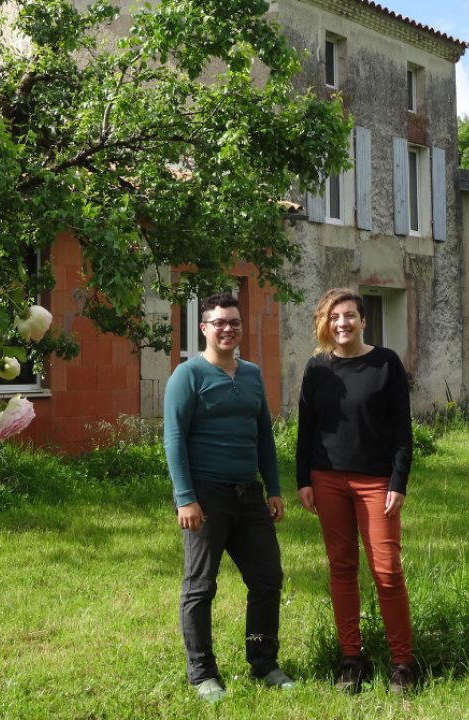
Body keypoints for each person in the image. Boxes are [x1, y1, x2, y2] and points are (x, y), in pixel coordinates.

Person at [163, 291, 295, 703]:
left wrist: (273, 489)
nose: (227, 328)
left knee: (267, 580)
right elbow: (174, 438)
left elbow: (263, 438)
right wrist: (185, 498)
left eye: (234, 322)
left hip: (249, 496)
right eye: (219, 322)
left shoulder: (253, 374)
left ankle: (263, 662)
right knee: (200, 586)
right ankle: (202, 673)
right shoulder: (188, 375)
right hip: (206, 495)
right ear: (203, 328)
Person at [296, 288, 415, 694]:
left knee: (387, 570)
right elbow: (305, 430)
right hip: (327, 479)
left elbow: (403, 430)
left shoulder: (386, 363)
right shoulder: (317, 369)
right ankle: (351, 658)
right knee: (342, 568)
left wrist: (398, 482)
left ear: (364, 321)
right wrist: (303, 480)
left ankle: (402, 662)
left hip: (377, 483)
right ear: (326, 323)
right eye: (334, 317)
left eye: (349, 315)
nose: (342, 323)